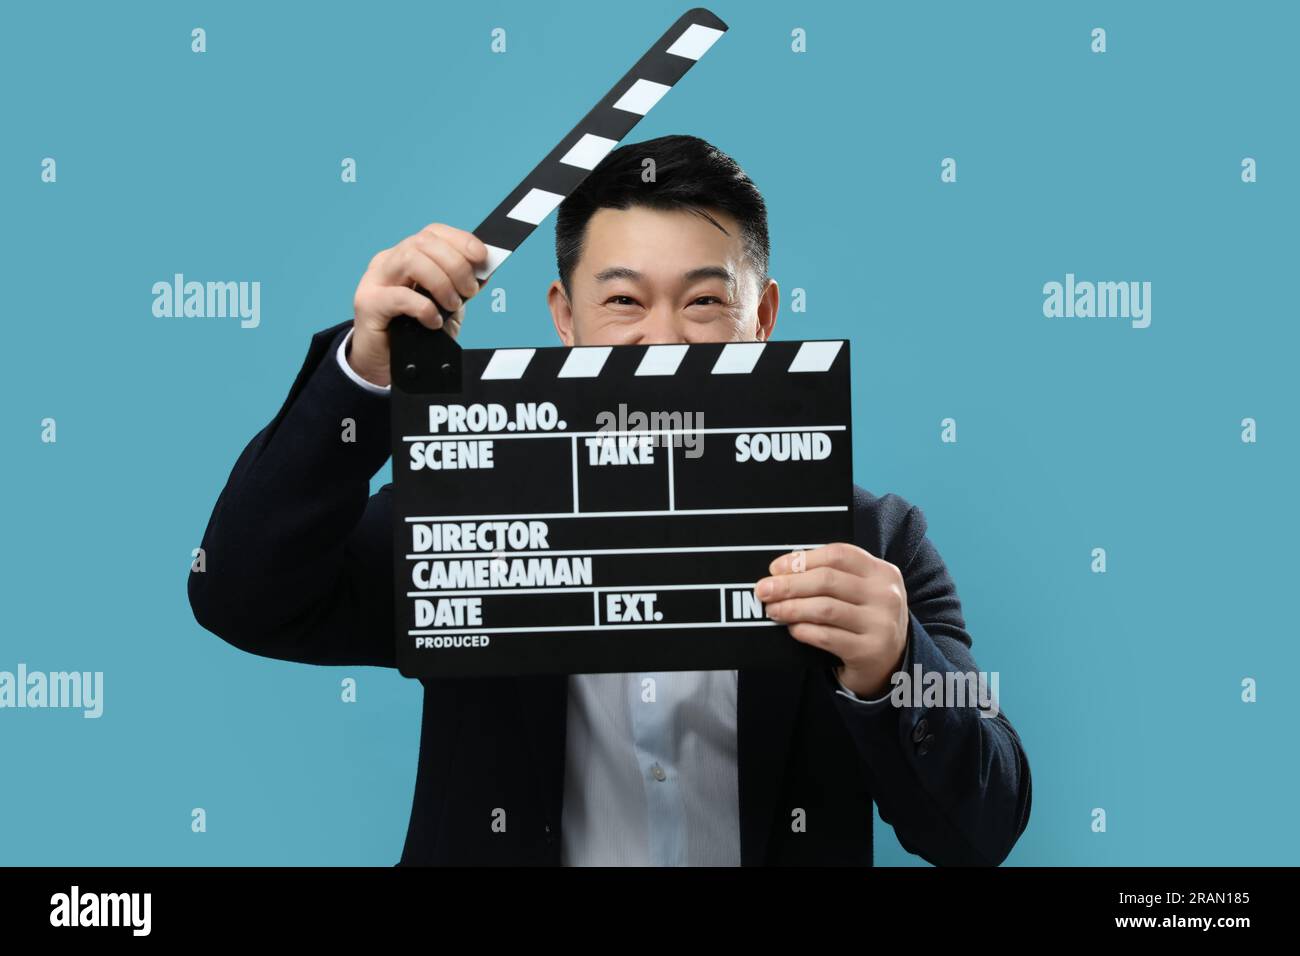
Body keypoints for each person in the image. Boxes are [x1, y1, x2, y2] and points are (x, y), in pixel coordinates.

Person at [188, 134, 1031, 866]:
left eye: (706, 301)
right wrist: (367, 374)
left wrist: (897, 671)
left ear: (764, 316)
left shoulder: (873, 542)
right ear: (565, 318)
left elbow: (982, 830)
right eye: (624, 300)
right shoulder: (468, 514)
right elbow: (243, 592)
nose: (662, 337)